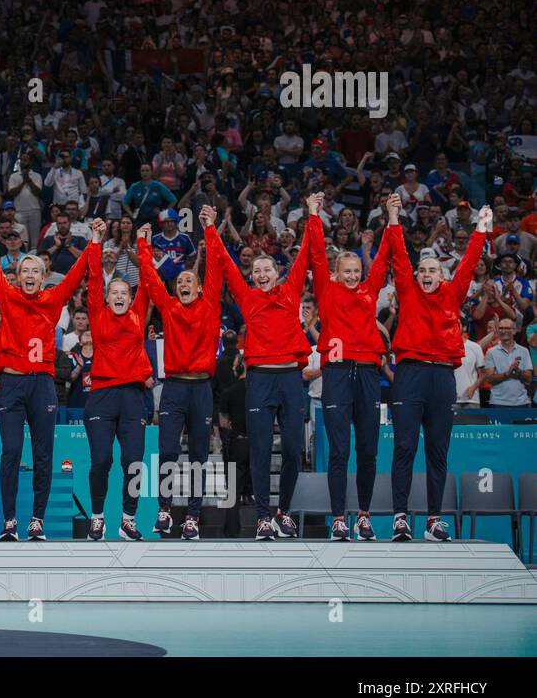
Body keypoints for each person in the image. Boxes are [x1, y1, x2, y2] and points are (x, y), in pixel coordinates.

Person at [0, 205, 96, 541]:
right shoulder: (7, 294)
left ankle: (37, 522)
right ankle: (10, 522)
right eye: (24, 269)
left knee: (44, 454)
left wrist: (95, 241)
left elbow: (76, 274)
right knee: (11, 452)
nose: (30, 274)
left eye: (36, 270)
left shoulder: (53, 297)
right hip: (12, 384)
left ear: (43, 276)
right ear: (17, 274)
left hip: (43, 385)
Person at [384, 197, 490, 542]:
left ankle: (433, 520)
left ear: (442, 276)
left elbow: (470, 262)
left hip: (443, 376)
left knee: (437, 449)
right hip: (410, 374)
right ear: (415, 276)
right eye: (422, 270)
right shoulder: (408, 289)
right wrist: (394, 215)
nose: (427, 274)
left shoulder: (451, 293)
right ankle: (401, 518)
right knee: (403, 448)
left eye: (433, 270)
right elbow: (399, 255)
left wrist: (480, 231)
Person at [206, 203, 314, 541]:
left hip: (290, 379)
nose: (262, 273)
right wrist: (211, 228)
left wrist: (311, 215)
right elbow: (223, 263)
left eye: (267, 268)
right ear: (252, 276)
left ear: (277, 272)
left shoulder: (291, 291)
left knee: (294, 449)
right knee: (261, 449)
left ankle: (282, 511)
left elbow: (308, 252)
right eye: (256, 270)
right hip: (260, 380)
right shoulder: (247, 297)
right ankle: (264, 517)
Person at [307, 194, 394, 541]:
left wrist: (392, 218)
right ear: (336, 273)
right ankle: (339, 517)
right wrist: (314, 214)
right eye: (348, 271)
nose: (354, 275)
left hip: (369, 374)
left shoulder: (370, 291)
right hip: (338, 374)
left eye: (357, 270)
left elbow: (385, 258)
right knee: (340, 450)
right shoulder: (326, 290)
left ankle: (364, 515)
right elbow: (315, 254)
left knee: (368, 450)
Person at [137, 205, 223, 541]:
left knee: (199, 454)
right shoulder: (169, 307)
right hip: (173, 387)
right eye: (180, 281)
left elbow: (215, 267)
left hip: (201, 388)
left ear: (200, 288)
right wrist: (143, 243)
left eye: (190, 280)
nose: (184, 283)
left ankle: (193, 516)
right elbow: (149, 275)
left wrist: (210, 229)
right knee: (169, 450)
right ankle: (164, 509)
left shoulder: (210, 306)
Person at [84, 217, 151, 541]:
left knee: (133, 462)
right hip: (102, 393)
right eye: (115, 292)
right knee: (101, 460)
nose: (120, 296)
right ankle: (97, 517)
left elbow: (149, 281)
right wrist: (96, 240)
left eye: (125, 292)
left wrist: (143, 244)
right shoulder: (98, 313)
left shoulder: (139, 312)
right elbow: (94, 278)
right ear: (107, 297)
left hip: (134, 396)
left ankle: (128, 518)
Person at [482, 318, 532, 408]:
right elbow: (489, 378)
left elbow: (528, 378)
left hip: (521, 403)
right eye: (501, 328)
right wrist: (507, 373)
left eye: (507, 328)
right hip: (498, 403)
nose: (503, 331)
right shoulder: (491, 352)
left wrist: (518, 371)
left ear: (514, 331)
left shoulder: (524, 351)